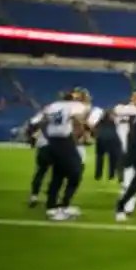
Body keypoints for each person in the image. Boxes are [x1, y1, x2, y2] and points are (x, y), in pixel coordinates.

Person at [34, 87, 91, 220]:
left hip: (53, 141)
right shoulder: (75, 106)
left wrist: (48, 136)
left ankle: (52, 206)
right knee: (76, 171)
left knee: (58, 173)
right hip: (64, 141)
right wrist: (86, 128)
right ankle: (62, 205)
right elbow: (79, 118)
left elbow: (42, 122)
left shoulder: (52, 106)